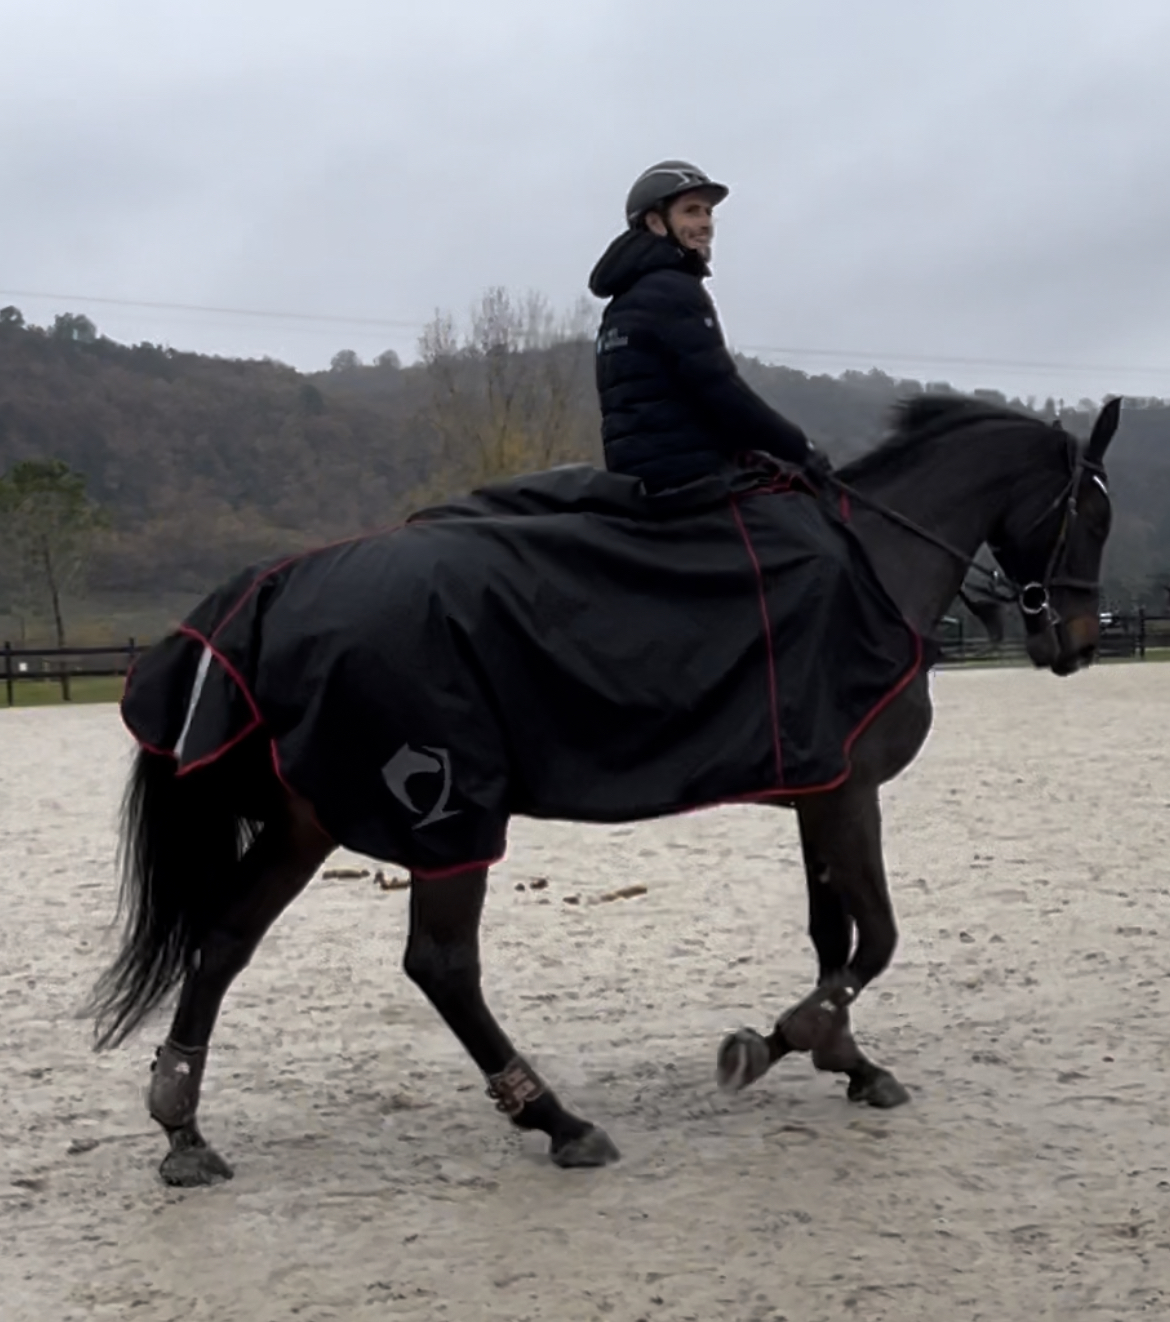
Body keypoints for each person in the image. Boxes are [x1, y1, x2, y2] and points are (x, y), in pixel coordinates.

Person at [588, 160, 833, 492]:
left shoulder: (622, 301)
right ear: (656, 222)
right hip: (690, 478)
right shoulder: (674, 289)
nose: (705, 223)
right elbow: (723, 394)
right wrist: (800, 448)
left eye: (707, 212)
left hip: (639, 480)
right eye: (691, 211)